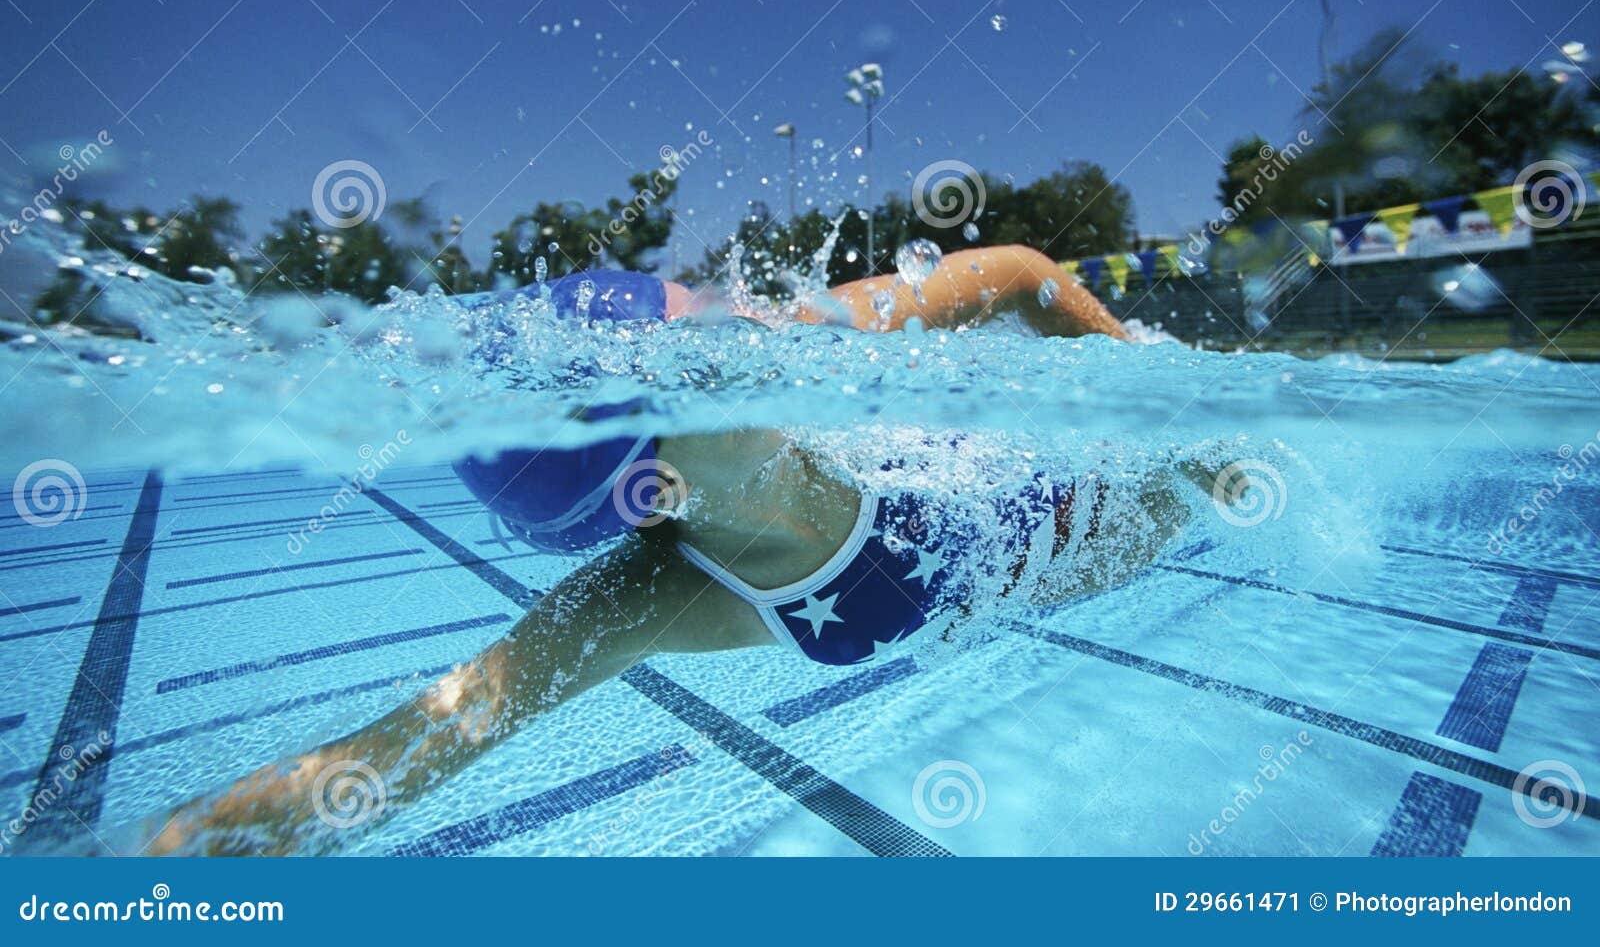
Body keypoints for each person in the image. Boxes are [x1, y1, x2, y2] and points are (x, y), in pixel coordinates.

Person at [143, 245, 1202, 855]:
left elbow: (1017, 274)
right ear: (655, 488)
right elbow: (416, 741)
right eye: (698, 342)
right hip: (1084, 552)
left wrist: (1156, 397)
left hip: (1131, 460)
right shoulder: (648, 595)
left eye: (703, 314)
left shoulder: (805, 340)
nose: (736, 328)